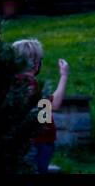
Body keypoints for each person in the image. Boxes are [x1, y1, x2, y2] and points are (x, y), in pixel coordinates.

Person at [12, 38, 69, 174]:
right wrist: (64, 75)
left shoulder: (14, 83)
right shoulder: (31, 83)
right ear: (36, 63)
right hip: (39, 143)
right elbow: (51, 108)